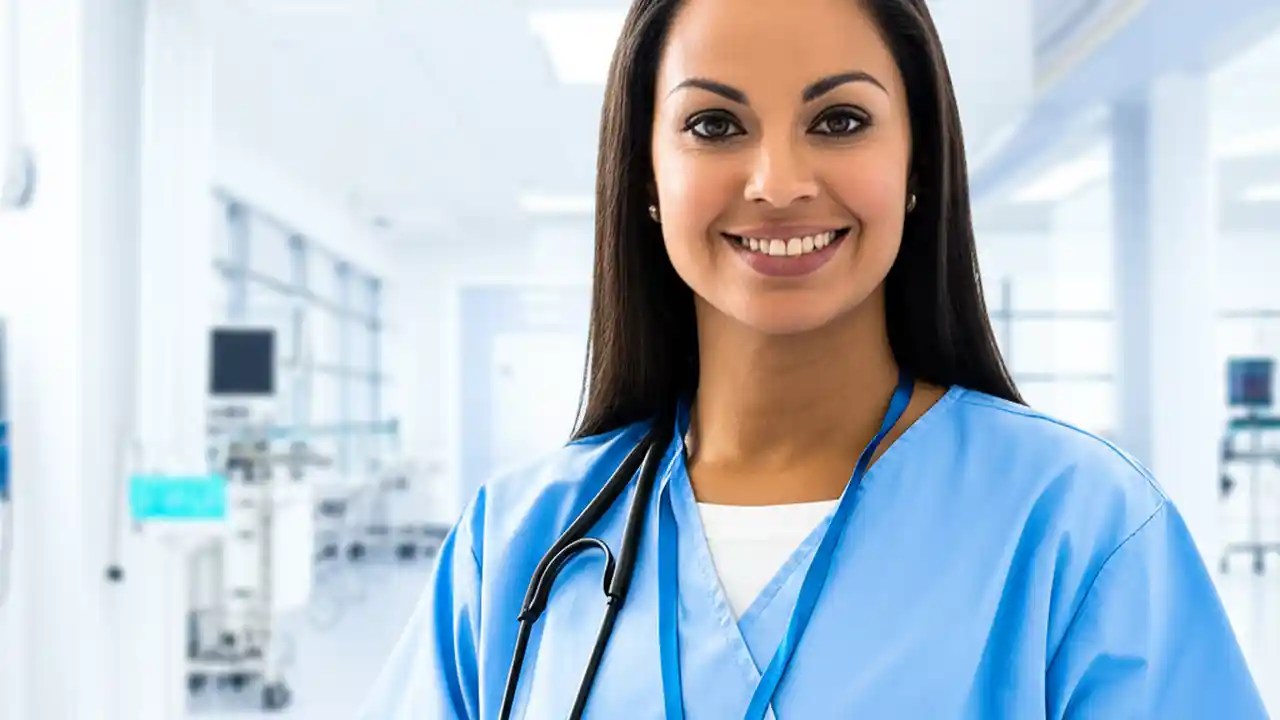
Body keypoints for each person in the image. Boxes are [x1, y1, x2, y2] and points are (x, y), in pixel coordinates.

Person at [360, 0, 1267, 717]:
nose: (780, 183)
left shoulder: (1080, 528)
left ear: (919, 162)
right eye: (715, 126)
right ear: (645, 175)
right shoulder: (518, 542)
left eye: (838, 120)